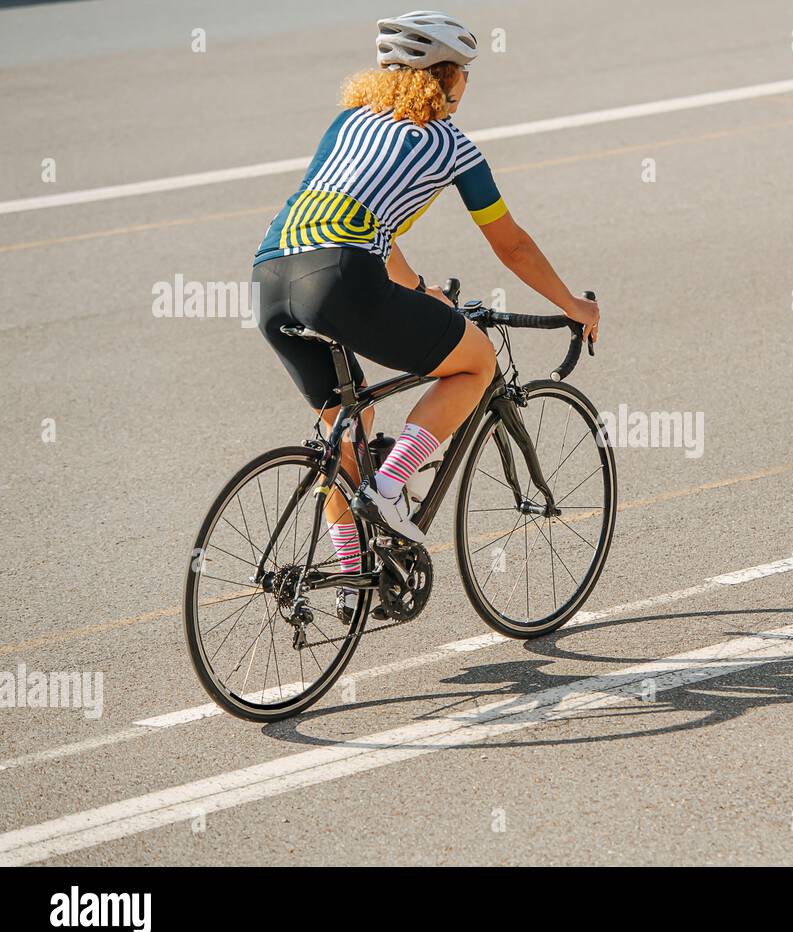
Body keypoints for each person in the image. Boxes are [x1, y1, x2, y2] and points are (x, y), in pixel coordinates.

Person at [252, 11, 600, 622]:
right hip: (341, 279)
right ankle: (390, 492)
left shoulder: (348, 122)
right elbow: (510, 243)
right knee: (475, 362)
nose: (467, 85)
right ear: (444, 78)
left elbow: (361, 221)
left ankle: (354, 578)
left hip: (272, 279)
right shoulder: (451, 144)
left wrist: (421, 291)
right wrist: (572, 304)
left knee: (346, 441)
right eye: (463, 73)